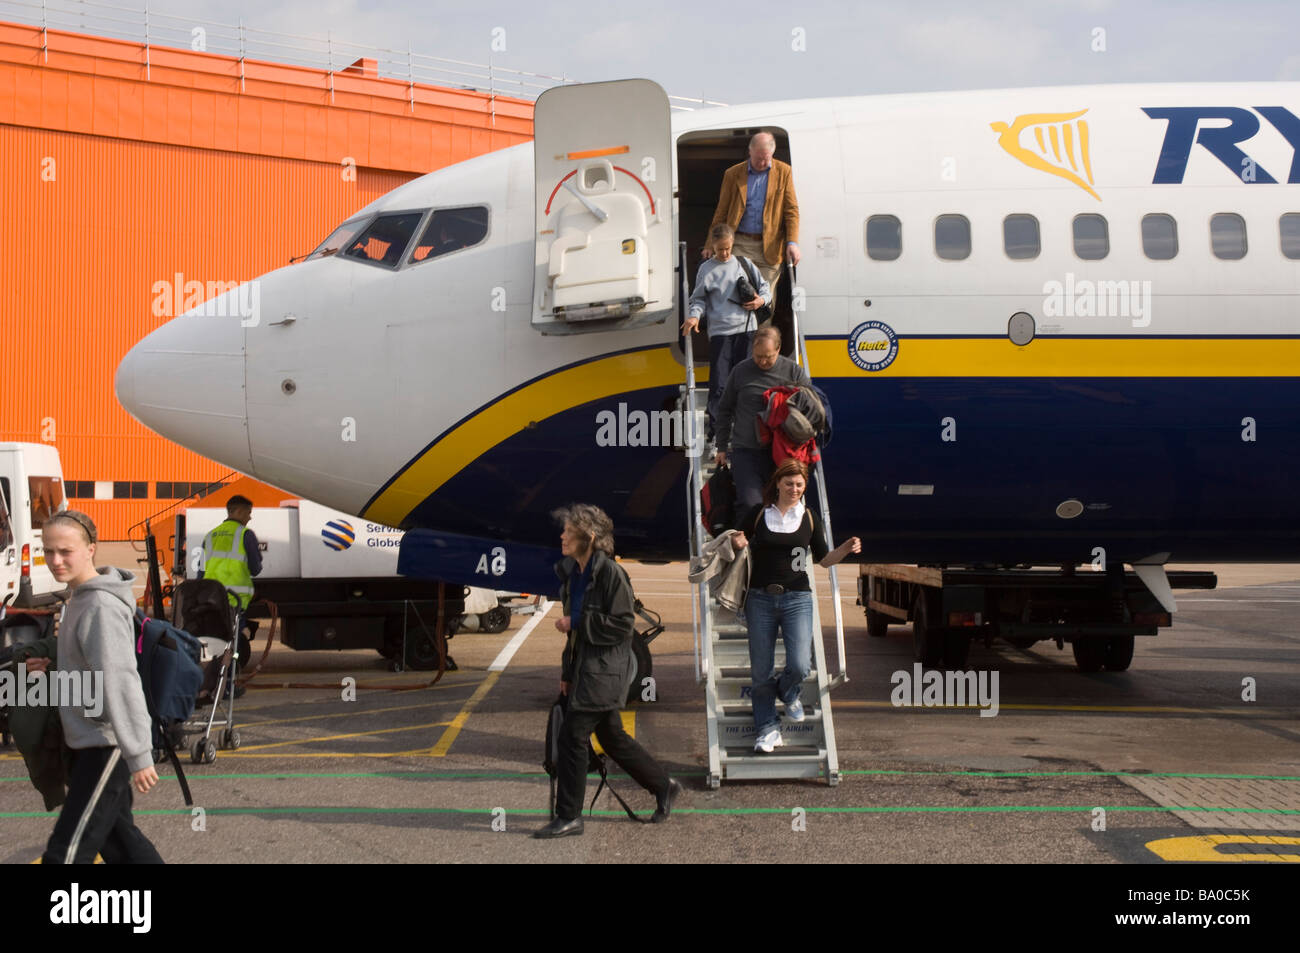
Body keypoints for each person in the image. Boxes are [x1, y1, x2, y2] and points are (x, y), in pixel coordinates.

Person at [534, 504, 682, 838]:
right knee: (612, 737)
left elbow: (622, 625)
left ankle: (569, 815)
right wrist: (567, 673)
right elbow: (575, 638)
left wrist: (578, 621)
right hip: (585, 672)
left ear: (588, 537)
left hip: (604, 673)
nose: (562, 535)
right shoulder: (574, 574)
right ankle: (663, 785)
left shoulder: (611, 575)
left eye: (569, 530)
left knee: (572, 737)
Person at [40, 510, 163, 864]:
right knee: (121, 845)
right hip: (89, 741)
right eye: (49, 551)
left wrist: (138, 753)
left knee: (67, 850)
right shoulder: (78, 599)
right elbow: (90, 670)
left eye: (66, 551)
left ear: (91, 549)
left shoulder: (99, 605)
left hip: (105, 745)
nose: (56, 560)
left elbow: (119, 680)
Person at [732, 460, 860, 754]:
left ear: (805, 488)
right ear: (777, 483)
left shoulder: (809, 517)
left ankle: (788, 692)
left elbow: (823, 559)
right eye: (789, 483)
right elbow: (736, 542)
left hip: (797, 599)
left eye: (800, 485)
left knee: (801, 664)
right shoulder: (758, 514)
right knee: (761, 671)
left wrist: (845, 549)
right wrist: (738, 541)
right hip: (759, 599)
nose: (794, 489)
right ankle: (767, 729)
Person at [682, 223, 771, 439]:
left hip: (747, 330)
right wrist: (694, 316)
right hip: (721, 333)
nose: (724, 253)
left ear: (732, 245)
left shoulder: (744, 264)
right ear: (713, 246)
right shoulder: (706, 269)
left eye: (728, 249)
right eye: (720, 249)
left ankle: (747, 430)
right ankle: (718, 433)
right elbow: (698, 299)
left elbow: (765, 288)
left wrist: (761, 300)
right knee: (719, 384)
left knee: (747, 383)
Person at [714, 325, 813, 513]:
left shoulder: (793, 372)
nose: (763, 361)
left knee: (781, 505)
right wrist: (721, 446)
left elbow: (811, 406)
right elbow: (725, 410)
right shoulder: (740, 371)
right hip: (746, 450)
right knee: (752, 504)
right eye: (758, 356)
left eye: (768, 356)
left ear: (778, 349)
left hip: (783, 452)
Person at [704, 132, 801, 294]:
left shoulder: (784, 172)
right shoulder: (733, 174)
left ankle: (762, 321)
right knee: (736, 295)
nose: (762, 163)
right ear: (750, 152)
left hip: (770, 247)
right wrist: (710, 243)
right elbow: (721, 212)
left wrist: (792, 242)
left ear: (772, 153)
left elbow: (791, 211)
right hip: (739, 243)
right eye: (758, 158)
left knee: (764, 301)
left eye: (766, 158)